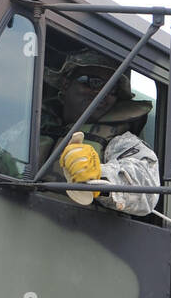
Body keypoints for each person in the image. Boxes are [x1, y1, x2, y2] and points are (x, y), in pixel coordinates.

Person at [41, 50, 161, 215]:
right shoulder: (34, 126)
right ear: (66, 83)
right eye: (93, 82)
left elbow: (147, 189)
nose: (102, 94)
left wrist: (98, 174)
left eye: (112, 90)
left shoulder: (120, 141)